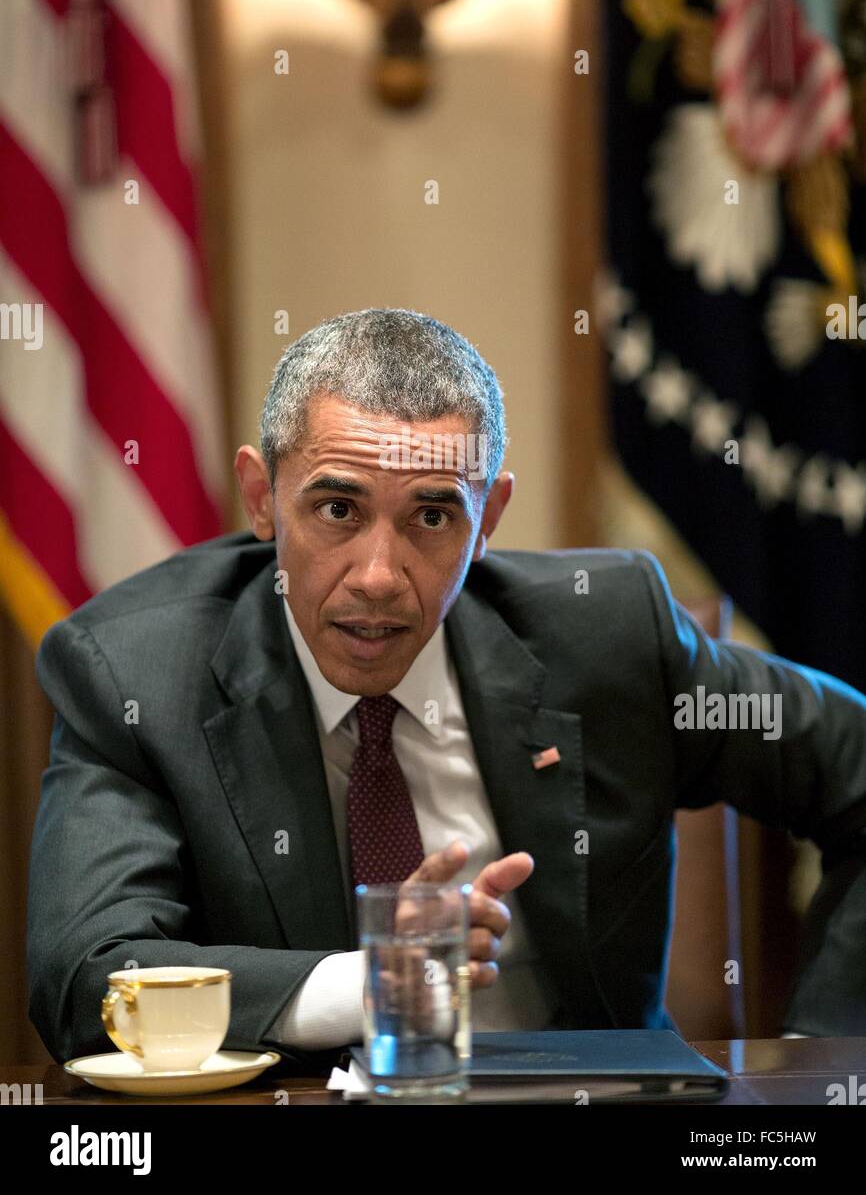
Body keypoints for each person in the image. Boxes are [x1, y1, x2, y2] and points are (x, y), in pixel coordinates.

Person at [27, 308, 866, 1070]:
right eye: (337, 510)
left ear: (489, 517)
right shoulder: (137, 674)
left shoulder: (608, 636)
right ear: (261, 496)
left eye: (432, 515)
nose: (380, 577)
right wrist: (371, 983)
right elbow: (90, 977)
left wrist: (823, 1054)